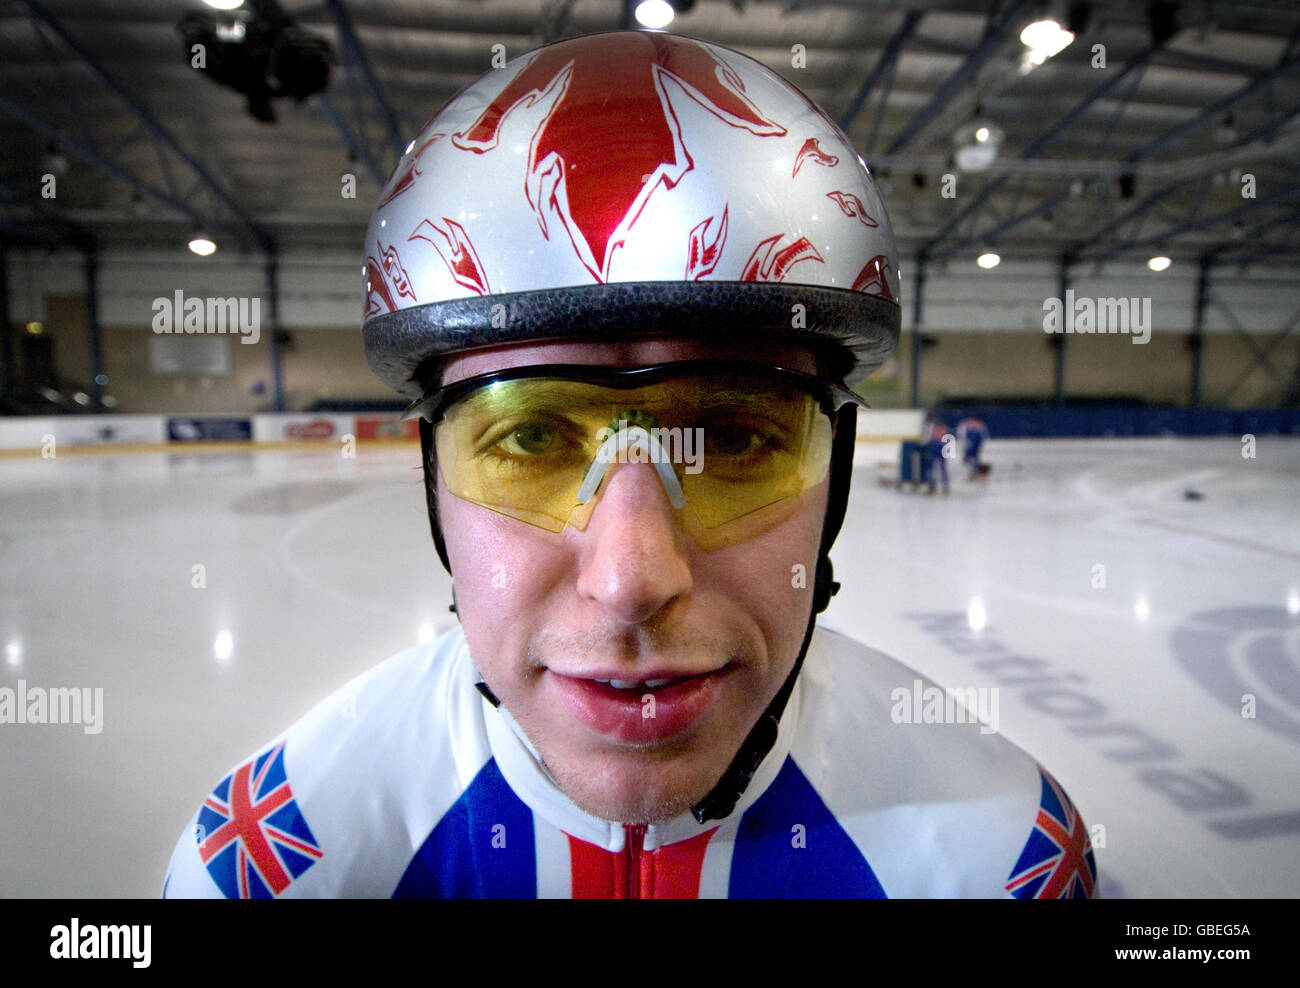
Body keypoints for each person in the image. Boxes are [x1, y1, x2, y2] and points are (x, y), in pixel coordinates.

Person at [163, 31, 1096, 898]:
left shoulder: (1008, 865)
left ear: (837, 482)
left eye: (734, 439)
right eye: (529, 439)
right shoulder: (272, 868)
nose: (631, 579)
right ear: (434, 489)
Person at [958, 416, 991, 481]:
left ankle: (977, 471)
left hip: (971, 441)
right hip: (977, 441)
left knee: (969, 458)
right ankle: (978, 471)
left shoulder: (965, 423)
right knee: (974, 457)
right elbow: (985, 434)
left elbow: (961, 434)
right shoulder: (980, 423)